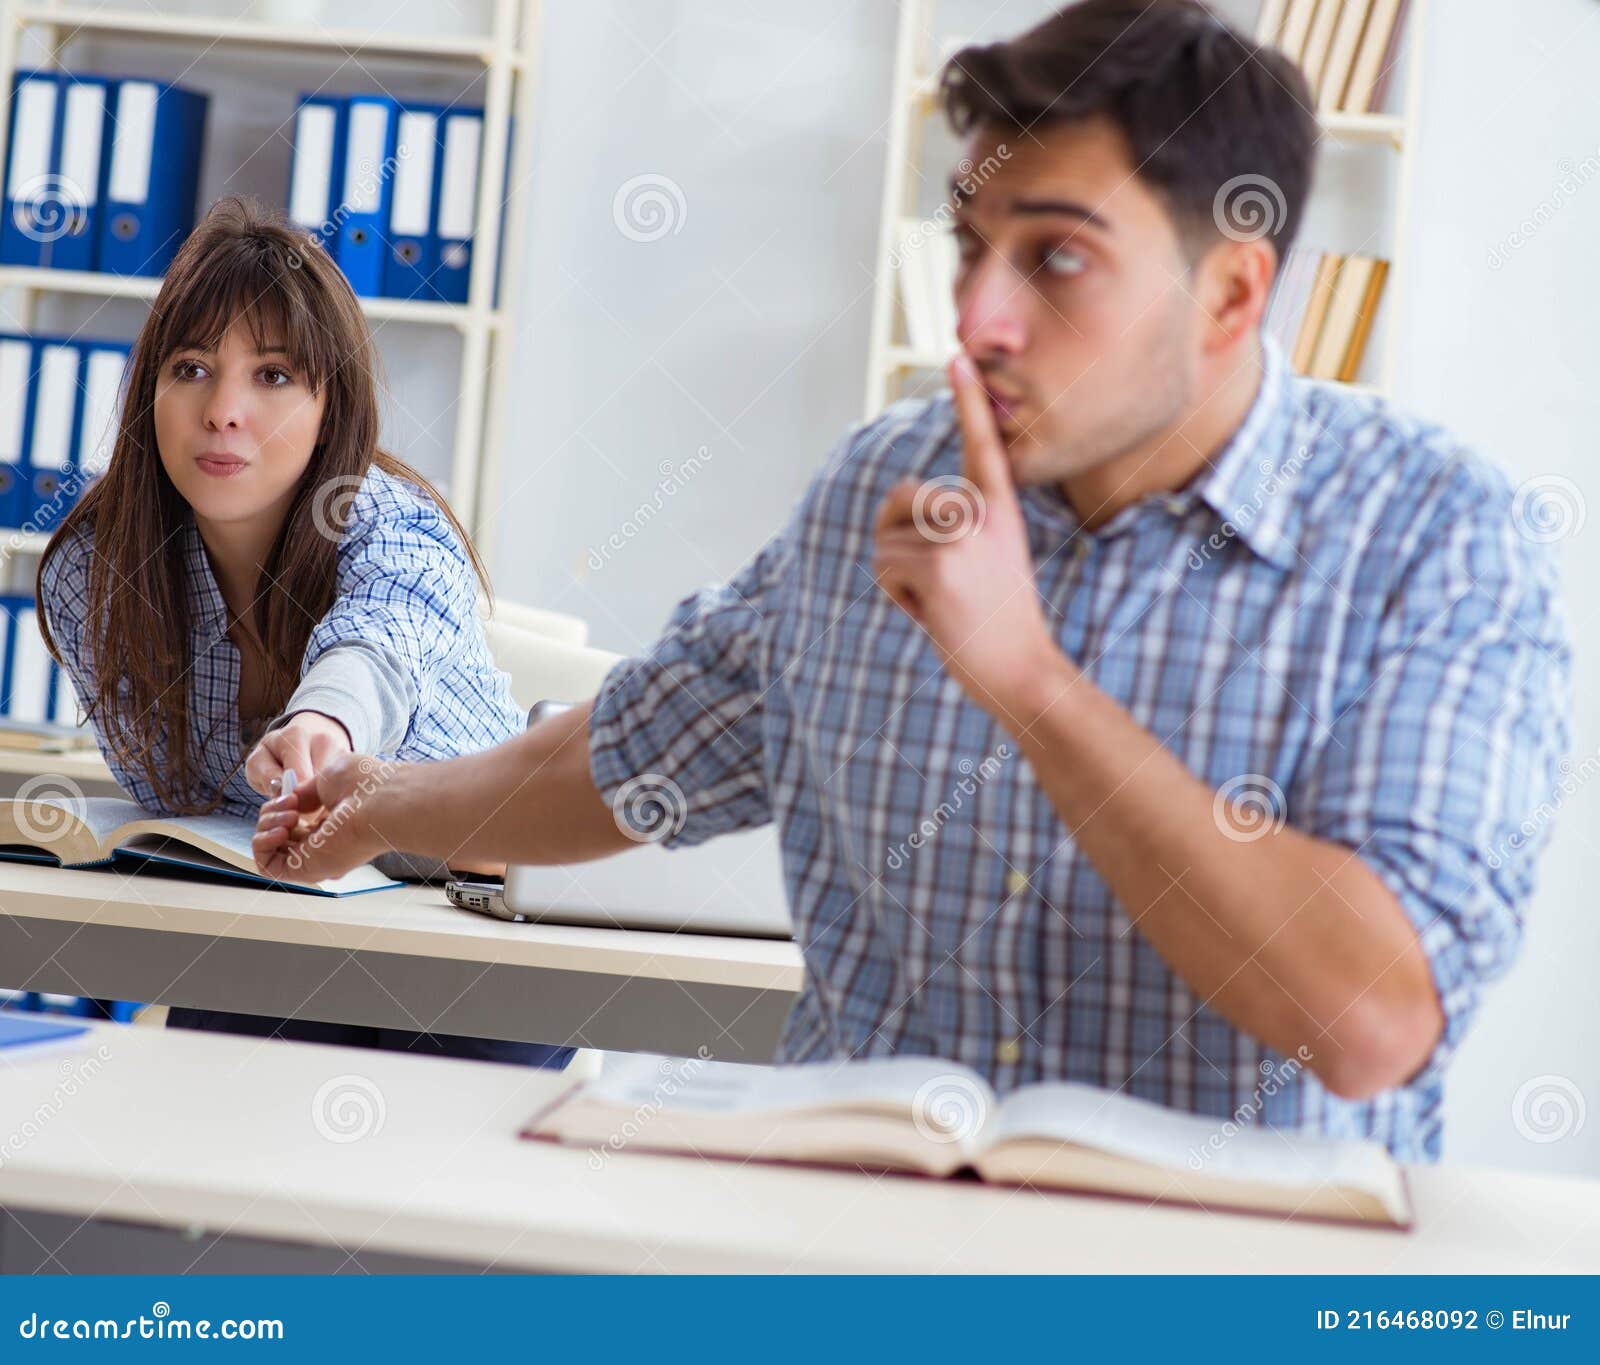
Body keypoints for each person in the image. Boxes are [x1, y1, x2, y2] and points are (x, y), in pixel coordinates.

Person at [253, 1, 1568, 1158]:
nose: (978, 315)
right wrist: (376, 803)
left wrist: (1031, 681)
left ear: (1230, 295)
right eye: (969, 245)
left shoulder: (1439, 538)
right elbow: (633, 756)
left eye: (1054, 256)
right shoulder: (881, 484)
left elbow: (1373, 1020)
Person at [38, 197, 571, 1070]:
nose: (224, 411)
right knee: (208, 1109)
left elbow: (379, 646)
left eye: (275, 376)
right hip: (273, 940)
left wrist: (320, 727)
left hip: (468, 952)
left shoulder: (390, 523)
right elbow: (170, 802)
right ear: (149, 391)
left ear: (335, 404)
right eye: (192, 367)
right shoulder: (94, 572)